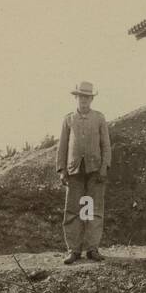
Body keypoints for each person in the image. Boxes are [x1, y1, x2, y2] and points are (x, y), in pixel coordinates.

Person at [57, 80, 112, 263]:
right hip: (74, 171)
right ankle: (73, 250)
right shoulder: (68, 119)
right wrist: (62, 169)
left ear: (91, 99)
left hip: (95, 170)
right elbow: (62, 146)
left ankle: (92, 249)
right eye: (81, 97)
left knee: (93, 210)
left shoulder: (99, 118)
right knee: (74, 210)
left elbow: (106, 145)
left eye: (87, 97)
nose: (84, 101)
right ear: (76, 97)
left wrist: (104, 167)